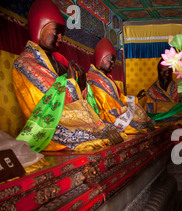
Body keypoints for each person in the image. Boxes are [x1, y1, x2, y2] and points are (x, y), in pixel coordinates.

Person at [13, 0, 120, 152]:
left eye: (62, 34)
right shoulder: (25, 63)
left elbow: (78, 96)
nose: (60, 38)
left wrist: (82, 85)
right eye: (56, 32)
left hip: (69, 114)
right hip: (47, 123)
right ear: (39, 29)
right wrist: (71, 82)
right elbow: (46, 100)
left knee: (107, 129)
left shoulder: (59, 61)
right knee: (93, 136)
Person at [87, 38, 154, 134]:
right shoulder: (94, 79)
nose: (113, 65)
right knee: (133, 119)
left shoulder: (107, 77)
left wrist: (135, 99)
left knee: (137, 109)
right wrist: (122, 108)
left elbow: (119, 97)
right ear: (101, 58)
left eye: (114, 62)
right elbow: (106, 103)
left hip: (115, 109)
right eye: (111, 61)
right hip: (105, 114)